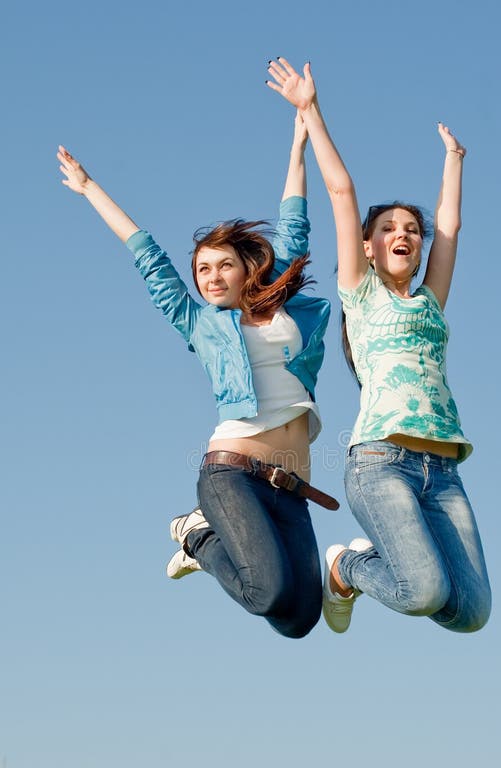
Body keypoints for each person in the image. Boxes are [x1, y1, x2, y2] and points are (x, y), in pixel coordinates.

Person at [57, 113, 336, 639]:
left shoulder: (286, 307)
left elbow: (294, 226)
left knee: (299, 619)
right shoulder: (200, 323)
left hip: (292, 486)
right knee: (268, 593)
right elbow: (149, 259)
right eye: (202, 269)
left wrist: (298, 145)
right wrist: (91, 188)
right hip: (232, 472)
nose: (211, 277)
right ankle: (198, 535)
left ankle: (205, 535)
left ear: (246, 268)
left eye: (223, 266)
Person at [267, 58, 491, 635]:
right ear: (368, 247)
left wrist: (454, 161)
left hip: (442, 468)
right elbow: (342, 191)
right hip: (380, 461)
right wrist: (309, 110)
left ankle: (368, 564)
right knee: (422, 592)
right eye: (389, 229)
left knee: (471, 613)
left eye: (411, 231)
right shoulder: (360, 295)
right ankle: (348, 566)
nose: (403, 236)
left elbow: (451, 226)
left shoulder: (430, 303)